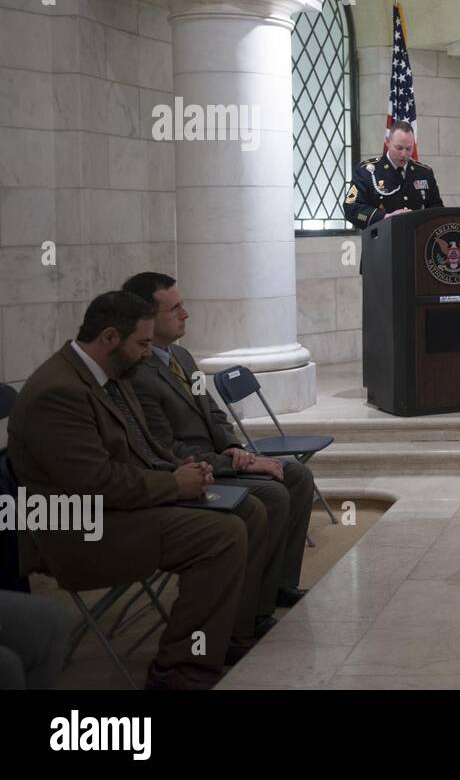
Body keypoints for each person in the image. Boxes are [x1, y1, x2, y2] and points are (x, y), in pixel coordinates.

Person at [6, 291, 271, 689]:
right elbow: (94, 483)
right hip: (81, 530)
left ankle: (227, 635)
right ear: (111, 337)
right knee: (220, 534)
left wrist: (181, 468)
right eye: (143, 344)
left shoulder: (111, 374)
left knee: (249, 509)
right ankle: (180, 671)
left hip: (121, 510)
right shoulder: (57, 392)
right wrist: (174, 484)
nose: (149, 354)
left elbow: (142, 448)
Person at [122, 272, 314, 615]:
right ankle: (251, 610)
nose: (186, 314)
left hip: (220, 458)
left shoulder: (181, 357)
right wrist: (231, 463)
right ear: (147, 319)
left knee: (297, 474)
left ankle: (278, 585)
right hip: (195, 472)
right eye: (175, 308)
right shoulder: (139, 374)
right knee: (272, 493)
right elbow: (166, 448)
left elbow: (213, 412)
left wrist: (234, 447)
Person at [343, 120, 443, 229]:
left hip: (417, 240)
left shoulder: (424, 173)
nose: (404, 154)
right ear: (387, 142)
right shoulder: (366, 172)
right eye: (399, 148)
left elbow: (437, 209)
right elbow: (350, 208)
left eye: (409, 149)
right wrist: (384, 218)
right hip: (381, 240)